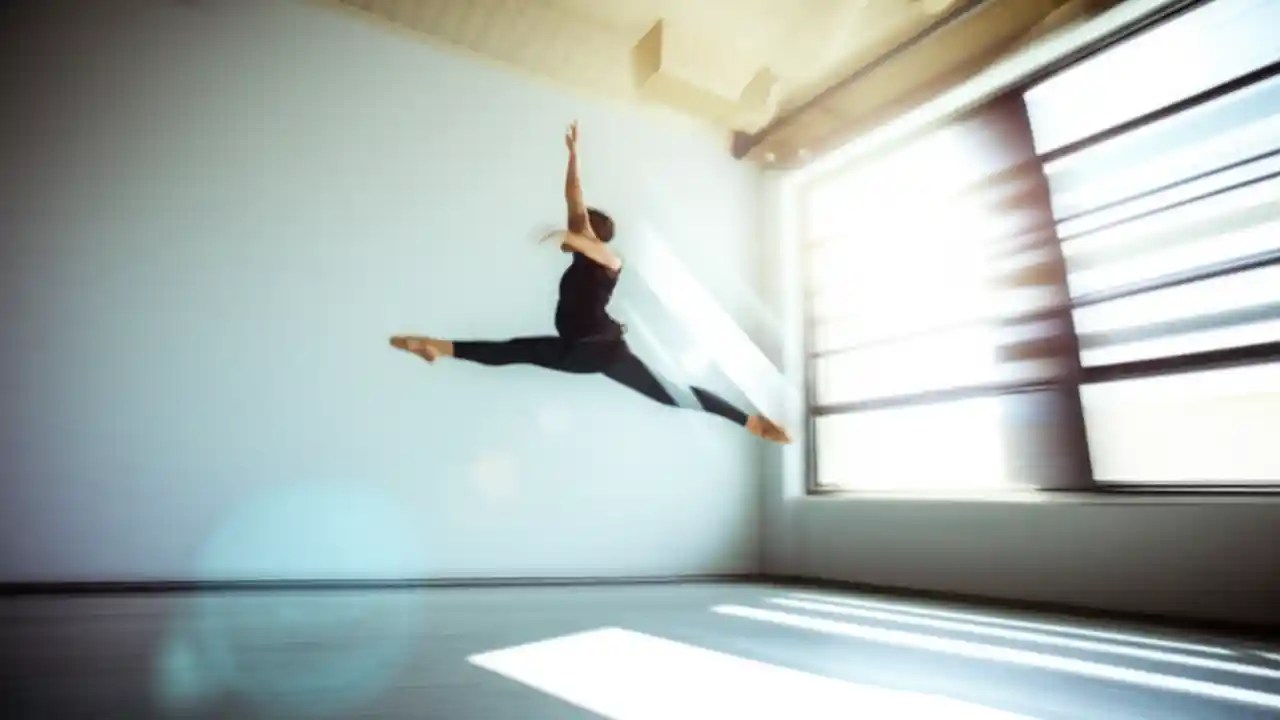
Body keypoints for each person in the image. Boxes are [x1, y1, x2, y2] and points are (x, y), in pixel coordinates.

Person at [391, 122, 791, 444]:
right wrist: (573, 156)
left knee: (670, 394)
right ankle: (436, 348)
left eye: (581, 229)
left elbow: (585, 238)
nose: (573, 226)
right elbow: (575, 198)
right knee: (513, 351)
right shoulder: (585, 250)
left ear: (595, 236)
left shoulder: (609, 261)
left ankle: (750, 422)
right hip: (573, 352)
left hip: (604, 350)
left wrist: (566, 236)